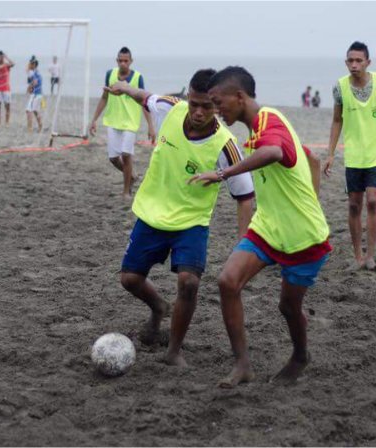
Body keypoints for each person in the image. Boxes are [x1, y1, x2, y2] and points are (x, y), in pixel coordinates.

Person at [190, 66, 331, 388]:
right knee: (227, 282)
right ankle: (242, 365)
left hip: (303, 236)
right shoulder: (255, 131)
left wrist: (223, 174)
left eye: (217, 101)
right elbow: (310, 158)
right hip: (267, 226)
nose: (215, 110)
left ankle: (300, 355)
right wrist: (313, 193)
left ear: (239, 96)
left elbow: (275, 151)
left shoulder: (270, 121)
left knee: (288, 307)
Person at [106, 69, 255, 367]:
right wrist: (123, 86)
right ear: (187, 97)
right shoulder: (169, 109)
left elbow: (245, 196)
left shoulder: (226, 145)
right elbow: (144, 97)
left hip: (192, 222)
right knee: (129, 279)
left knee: (189, 283)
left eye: (207, 106)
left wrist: (243, 244)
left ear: (216, 103)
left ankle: (174, 351)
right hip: (152, 212)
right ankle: (159, 307)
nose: (199, 112)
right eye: (194, 104)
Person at [323, 41, 376, 270]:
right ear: (346, 62)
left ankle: (371, 256)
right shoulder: (340, 87)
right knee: (354, 205)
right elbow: (337, 120)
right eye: (350, 60)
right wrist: (330, 153)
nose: (354, 64)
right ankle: (358, 256)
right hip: (354, 154)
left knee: (373, 200)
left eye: (359, 60)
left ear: (368, 62)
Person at [88, 47, 156, 199]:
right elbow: (104, 97)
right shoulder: (110, 75)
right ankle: (131, 175)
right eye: (120, 60)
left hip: (130, 123)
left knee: (126, 154)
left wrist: (151, 126)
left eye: (126, 61)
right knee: (113, 158)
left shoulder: (138, 77)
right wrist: (94, 120)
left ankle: (126, 192)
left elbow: (143, 102)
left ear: (131, 61)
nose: (123, 63)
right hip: (113, 121)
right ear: (117, 61)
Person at [0, 50, 14, 126]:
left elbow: (13, 64)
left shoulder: (6, 65)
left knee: (7, 106)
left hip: (6, 88)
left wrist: (6, 57)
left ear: (2, 57)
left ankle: (7, 122)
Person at [25, 57, 43, 133]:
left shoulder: (35, 72)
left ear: (34, 64)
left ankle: (30, 129)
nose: (29, 65)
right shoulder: (37, 72)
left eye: (31, 64)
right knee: (35, 111)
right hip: (39, 94)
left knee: (28, 111)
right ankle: (40, 126)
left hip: (35, 94)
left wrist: (29, 87)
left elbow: (34, 82)